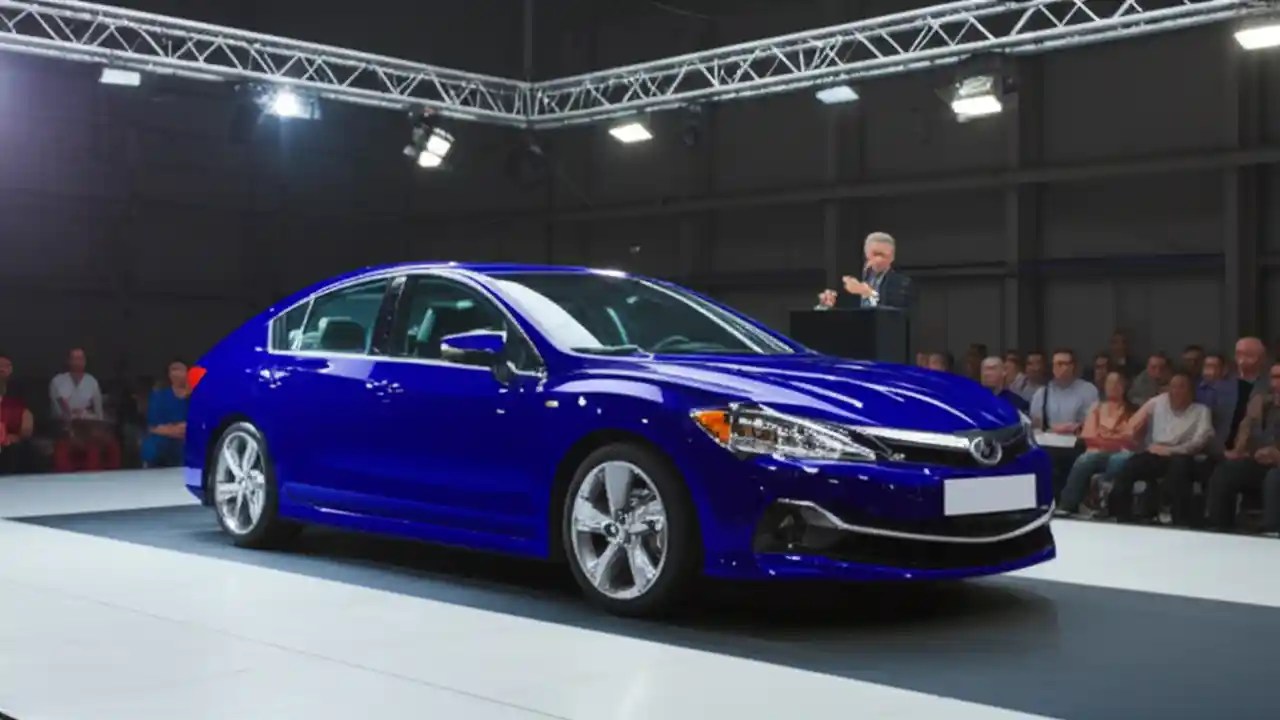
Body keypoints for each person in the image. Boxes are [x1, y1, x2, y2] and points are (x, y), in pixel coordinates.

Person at [1106, 372, 1214, 525]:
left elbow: (1200, 441)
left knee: (1179, 468)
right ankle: (1120, 515)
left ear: (1191, 392)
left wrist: (1173, 450)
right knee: (1129, 466)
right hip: (1156, 452)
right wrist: (1133, 434)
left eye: (1181, 387)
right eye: (1173, 387)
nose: (1176, 391)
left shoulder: (1201, 410)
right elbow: (1134, 422)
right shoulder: (1158, 402)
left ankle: (1178, 517)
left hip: (1184, 454)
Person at [1204, 362, 1280, 537]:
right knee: (1228, 470)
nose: (1276, 383)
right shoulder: (1264, 404)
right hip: (1262, 461)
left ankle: (1272, 530)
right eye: (1274, 378)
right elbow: (1246, 434)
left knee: (1274, 476)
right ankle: (1219, 527)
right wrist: (1241, 449)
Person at [1056, 371, 1138, 517]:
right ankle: (1067, 505)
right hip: (1096, 452)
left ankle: (1103, 504)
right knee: (1084, 459)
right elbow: (1088, 436)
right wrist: (1114, 439)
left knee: (1117, 460)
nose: (1112, 386)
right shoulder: (1096, 408)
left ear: (1124, 386)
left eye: (1117, 383)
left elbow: (1131, 438)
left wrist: (1105, 438)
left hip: (1122, 453)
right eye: (1109, 383)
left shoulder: (1133, 410)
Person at [1029, 349, 1099, 498]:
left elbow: (1093, 422)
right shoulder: (1043, 392)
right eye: (1057, 364)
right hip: (1049, 440)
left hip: (1076, 441)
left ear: (1073, 366)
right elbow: (1035, 424)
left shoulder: (1088, 390)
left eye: (1066, 364)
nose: (1062, 368)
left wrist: (1075, 426)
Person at [49, 347, 120, 473]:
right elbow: (57, 409)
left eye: (81, 358)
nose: (78, 362)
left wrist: (87, 415)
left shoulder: (92, 381)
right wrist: (72, 415)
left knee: (105, 442)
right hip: (66, 426)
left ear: (85, 362)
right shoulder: (57, 381)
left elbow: (98, 411)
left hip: (89, 425)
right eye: (74, 358)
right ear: (68, 361)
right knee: (66, 443)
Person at [816, 232, 913, 310]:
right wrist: (827, 303)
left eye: (883, 255)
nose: (878, 259)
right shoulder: (852, 280)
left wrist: (870, 294)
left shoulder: (902, 283)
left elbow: (897, 315)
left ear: (892, 257)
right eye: (875, 254)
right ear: (866, 253)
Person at [140, 359, 190, 468]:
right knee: (153, 445)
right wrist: (172, 430)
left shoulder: (197, 396)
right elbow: (153, 426)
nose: (176, 373)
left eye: (180, 369)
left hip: (189, 435)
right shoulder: (159, 396)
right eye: (173, 369)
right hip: (164, 435)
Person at [0, 352, 36, 475]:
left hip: (14, 435)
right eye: (0, 365)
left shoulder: (20, 389)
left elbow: (27, 414)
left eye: (6, 366)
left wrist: (19, 435)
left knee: (20, 449)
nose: (2, 369)